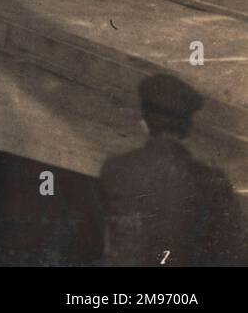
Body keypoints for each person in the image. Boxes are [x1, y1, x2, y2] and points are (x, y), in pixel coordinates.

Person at [98, 73, 247, 266]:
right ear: (188, 128)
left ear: (144, 122)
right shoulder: (211, 180)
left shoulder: (115, 170)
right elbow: (236, 252)